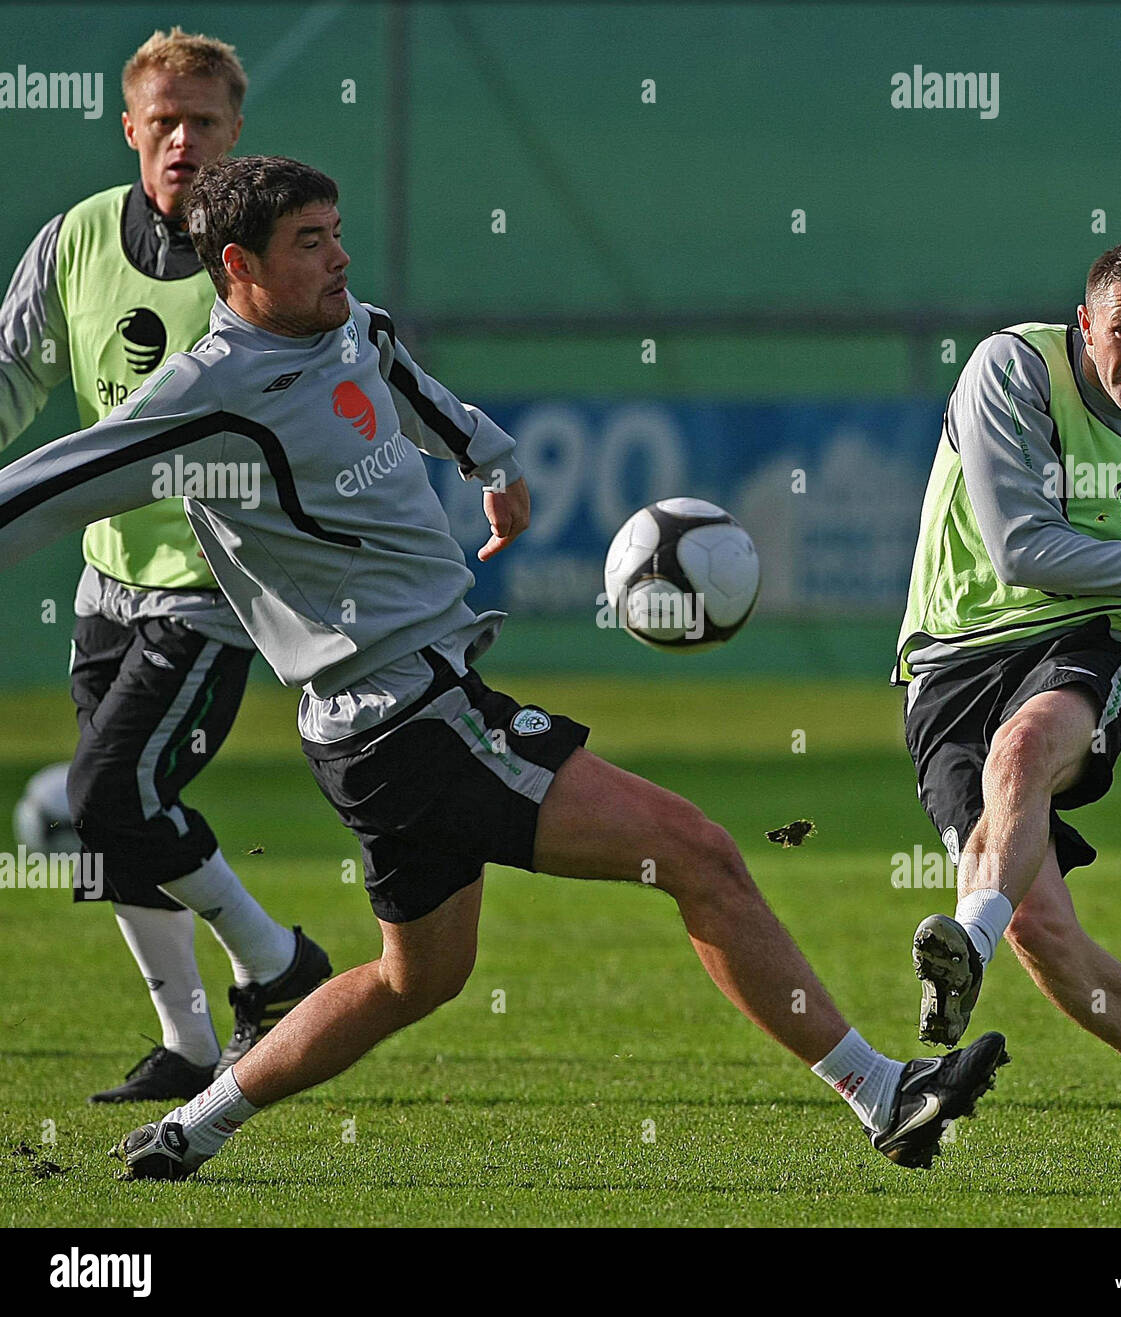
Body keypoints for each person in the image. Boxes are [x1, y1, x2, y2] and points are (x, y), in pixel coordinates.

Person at [0, 155, 1009, 1178]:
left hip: (384, 726)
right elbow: (45, 484)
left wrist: (496, 464)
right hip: (410, 718)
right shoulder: (208, 402)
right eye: (310, 242)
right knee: (700, 857)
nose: (339, 254)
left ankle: (191, 1127)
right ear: (236, 265)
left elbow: (397, 374)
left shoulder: (350, 323)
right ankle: (884, 1093)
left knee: (415, 981)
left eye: (337, 229)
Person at [0, 29, 329, 1104]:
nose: (185, 139)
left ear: (238, 133)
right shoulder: (76, 240)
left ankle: (278, 963)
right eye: (165, 120)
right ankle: (187, 1045)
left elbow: (344, 375)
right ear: (131, 129)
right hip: (107, 580)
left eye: (206, 122)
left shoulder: (262, 255)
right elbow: (15, 371)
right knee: (113, 823)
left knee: (108, 794)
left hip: (218, 587)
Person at [893, 239, 1121, 1159]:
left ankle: (965, 941)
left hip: (1088, 642)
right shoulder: (1013, 368)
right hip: (952, 660)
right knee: (1043, 925)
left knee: (1025, 750)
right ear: (1085, 323)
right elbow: (1022, 545)